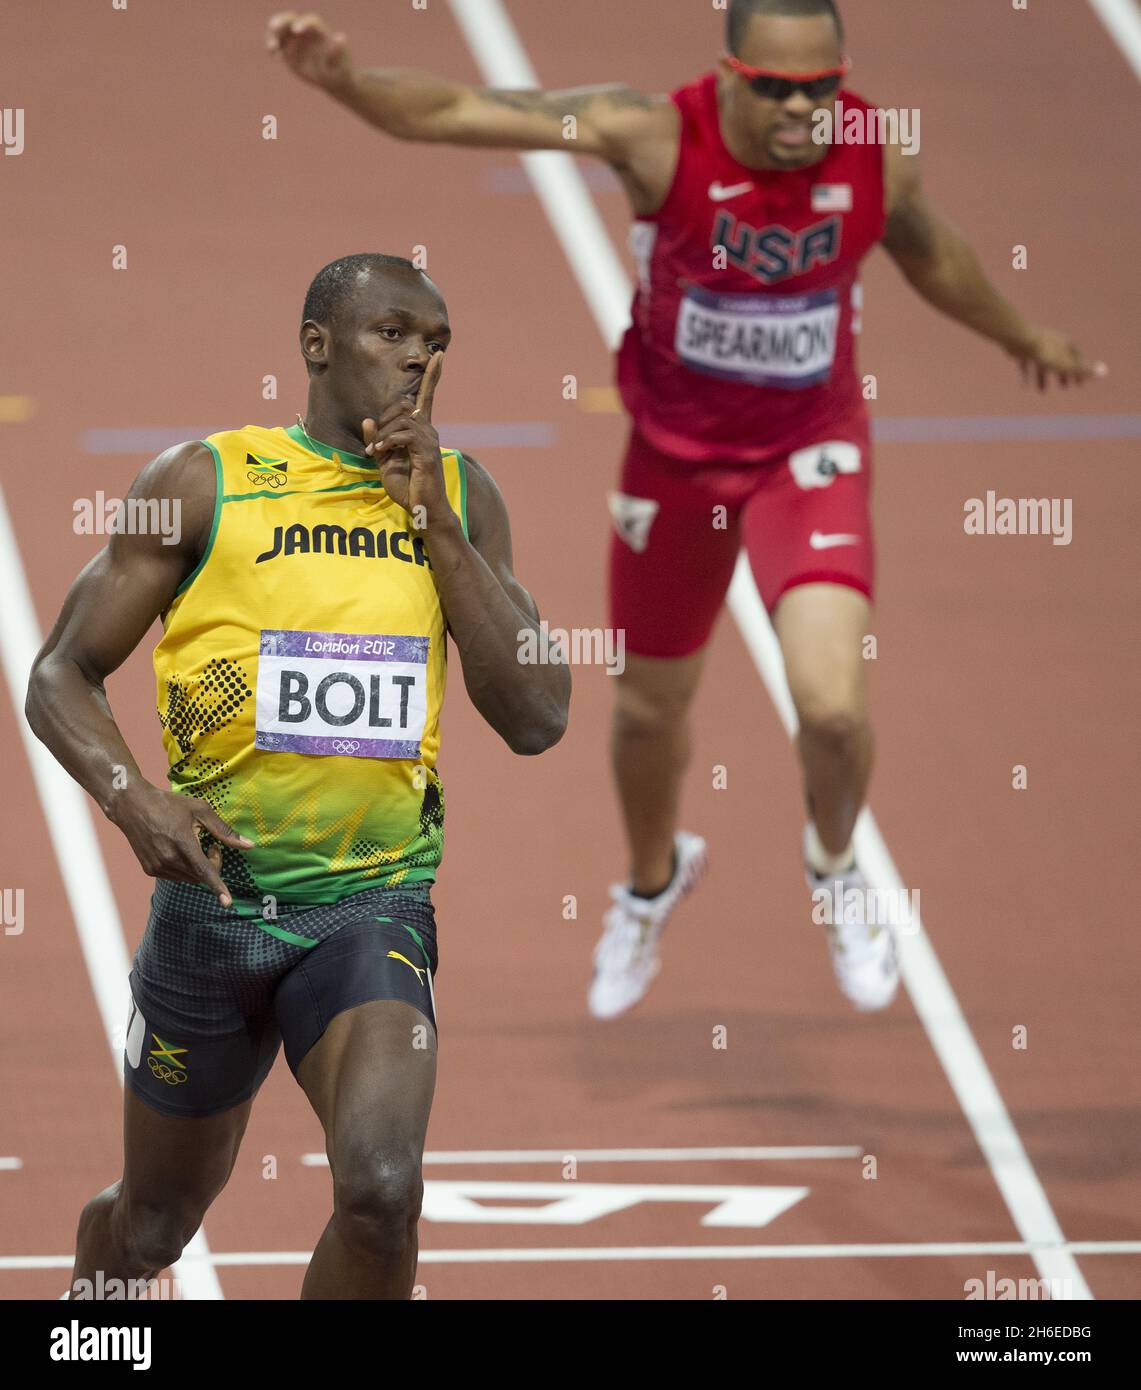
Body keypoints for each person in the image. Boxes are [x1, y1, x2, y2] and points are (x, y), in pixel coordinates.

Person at [267, 0, 1104, 1019]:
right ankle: (652, 881)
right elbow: (453, 107)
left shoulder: (871, 149)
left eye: (821, 87)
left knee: (833, 707)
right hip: (673, 464)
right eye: (776, 87)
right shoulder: (650, 134)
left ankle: (835, 865)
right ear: (729, 73)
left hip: (810, 454)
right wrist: (348, 81)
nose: (803, 110)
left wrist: (1021, 334)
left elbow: (930, 252)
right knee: (651, 710)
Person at [26, 253, 570, 1300]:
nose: (420, 357)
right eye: (394, 332)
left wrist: (438, 527)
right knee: (150, 1224)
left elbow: (539, 717)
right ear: (316, 345)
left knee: (380, 1190)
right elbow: (61, 670)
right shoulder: (199, 481)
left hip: (371, 906)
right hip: (214, 906)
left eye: (437, 342)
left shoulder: (463, 496)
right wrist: (133, 797)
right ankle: (95, 1317)